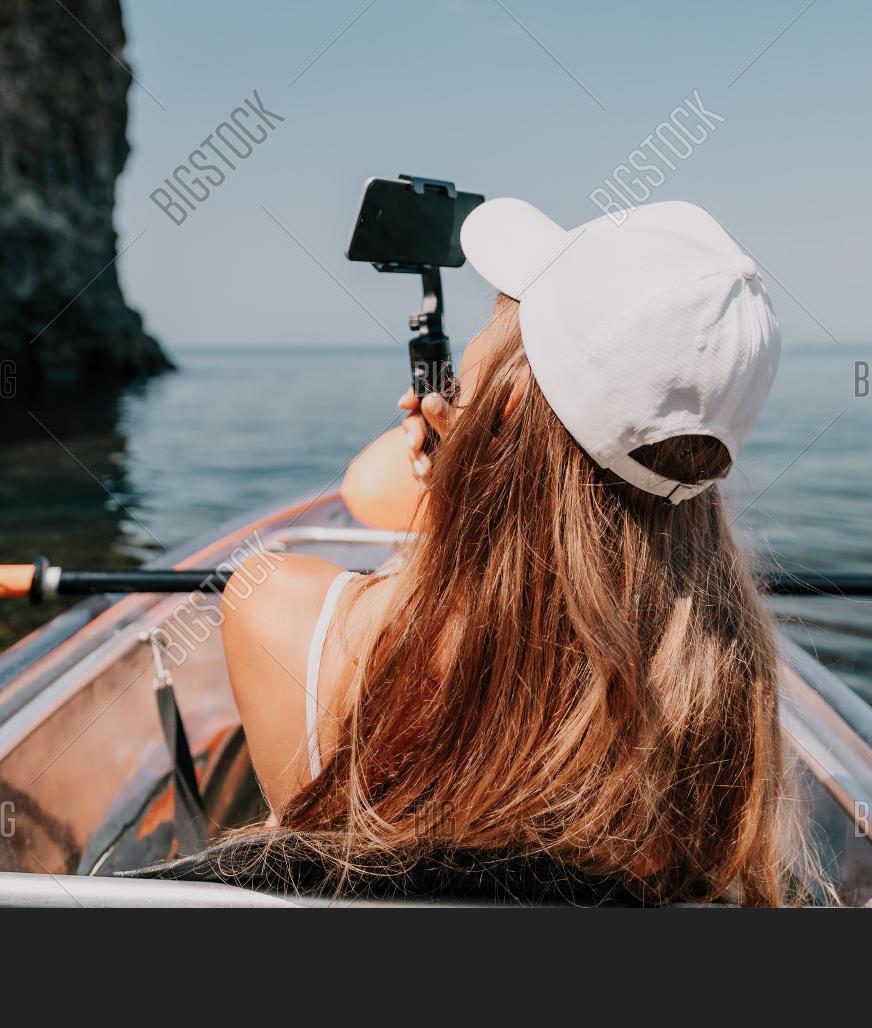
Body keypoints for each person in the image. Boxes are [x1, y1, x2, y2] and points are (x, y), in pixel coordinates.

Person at [221, 197, 801, 904]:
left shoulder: (279, 611)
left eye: (500, 320)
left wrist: (468, 464)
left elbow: (366, 489)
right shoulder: (721, 685)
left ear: (499, 408)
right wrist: (478, 458)